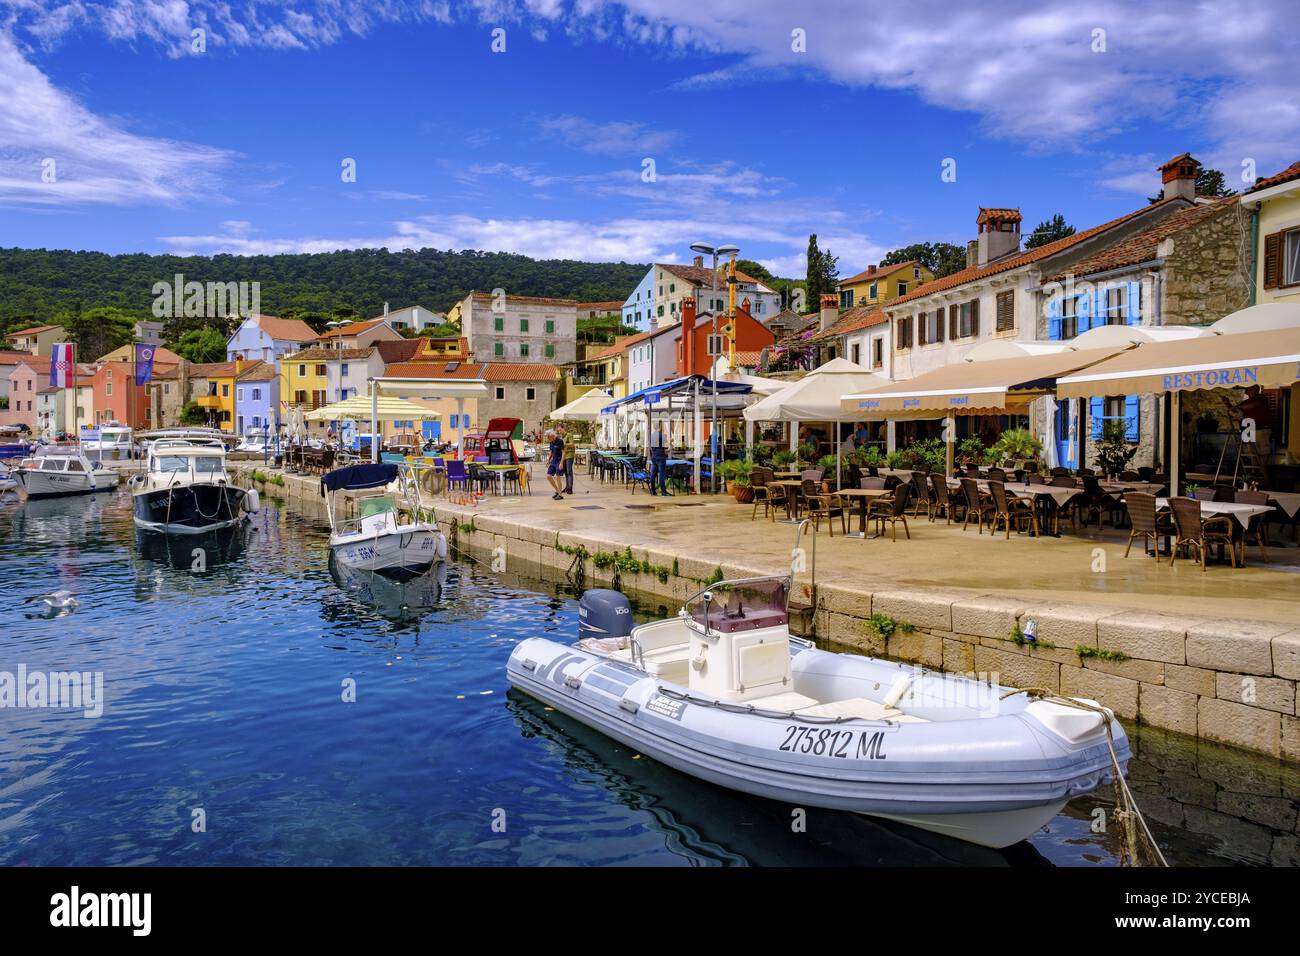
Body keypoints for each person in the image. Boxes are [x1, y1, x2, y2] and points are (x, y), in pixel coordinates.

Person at [648, 421, 670, 496]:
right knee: (662, 475)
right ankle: (663, 491)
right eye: (662, 425)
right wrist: (670, 442)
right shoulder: (661, 435)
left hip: (654, 457)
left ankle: (653, 491)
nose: (663, 427)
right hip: (661, 457)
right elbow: (665, 447)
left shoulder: (652, 435)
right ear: (660, 426)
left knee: (653, 475)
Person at [545, 429, 565, 499]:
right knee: (548, 476)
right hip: (553, 461)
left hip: (559, 461)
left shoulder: (560, 441)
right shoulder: (551, 442)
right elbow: (551, 452)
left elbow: (563, 453)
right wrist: (548, 460)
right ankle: (558, 491)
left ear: (552, 436)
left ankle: (560, 495)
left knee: (558, 477)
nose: (547, 439)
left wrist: (561, 463)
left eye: (548, 437)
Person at [561, 425, 577, 494]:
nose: (559, 432)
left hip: (569, 455)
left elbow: (572, 444)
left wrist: (564, 444)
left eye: (560, 430)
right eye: (558, 431)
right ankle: (567, 487)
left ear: (563, 428)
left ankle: (570, 488)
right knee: (566, 472)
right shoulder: (562, 437)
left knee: (569, 471)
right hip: (564, 455)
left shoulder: (569, 435)